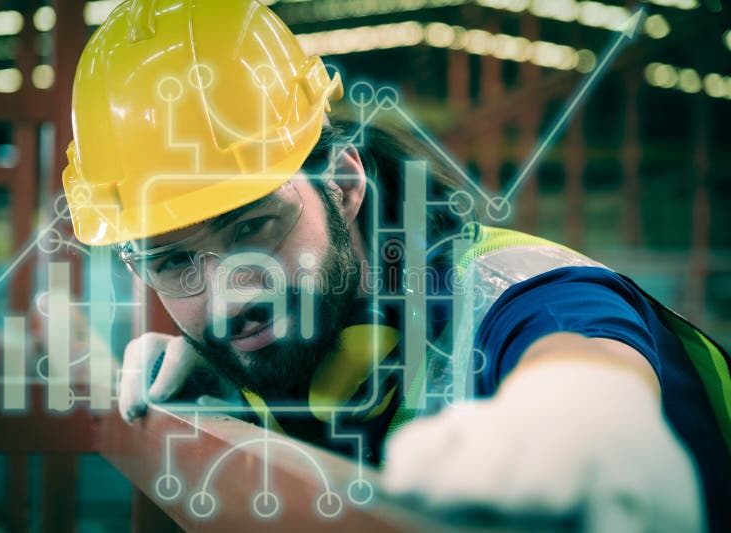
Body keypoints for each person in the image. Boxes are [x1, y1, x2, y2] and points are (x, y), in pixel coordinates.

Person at [62, 1, 729, 531]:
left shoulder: (517, 296)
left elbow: (580, 341)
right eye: (174, 261)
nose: (230, 295)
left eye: (253, 226)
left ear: (343, 181)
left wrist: (585, 411)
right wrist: (238, 387)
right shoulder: (313, 344)